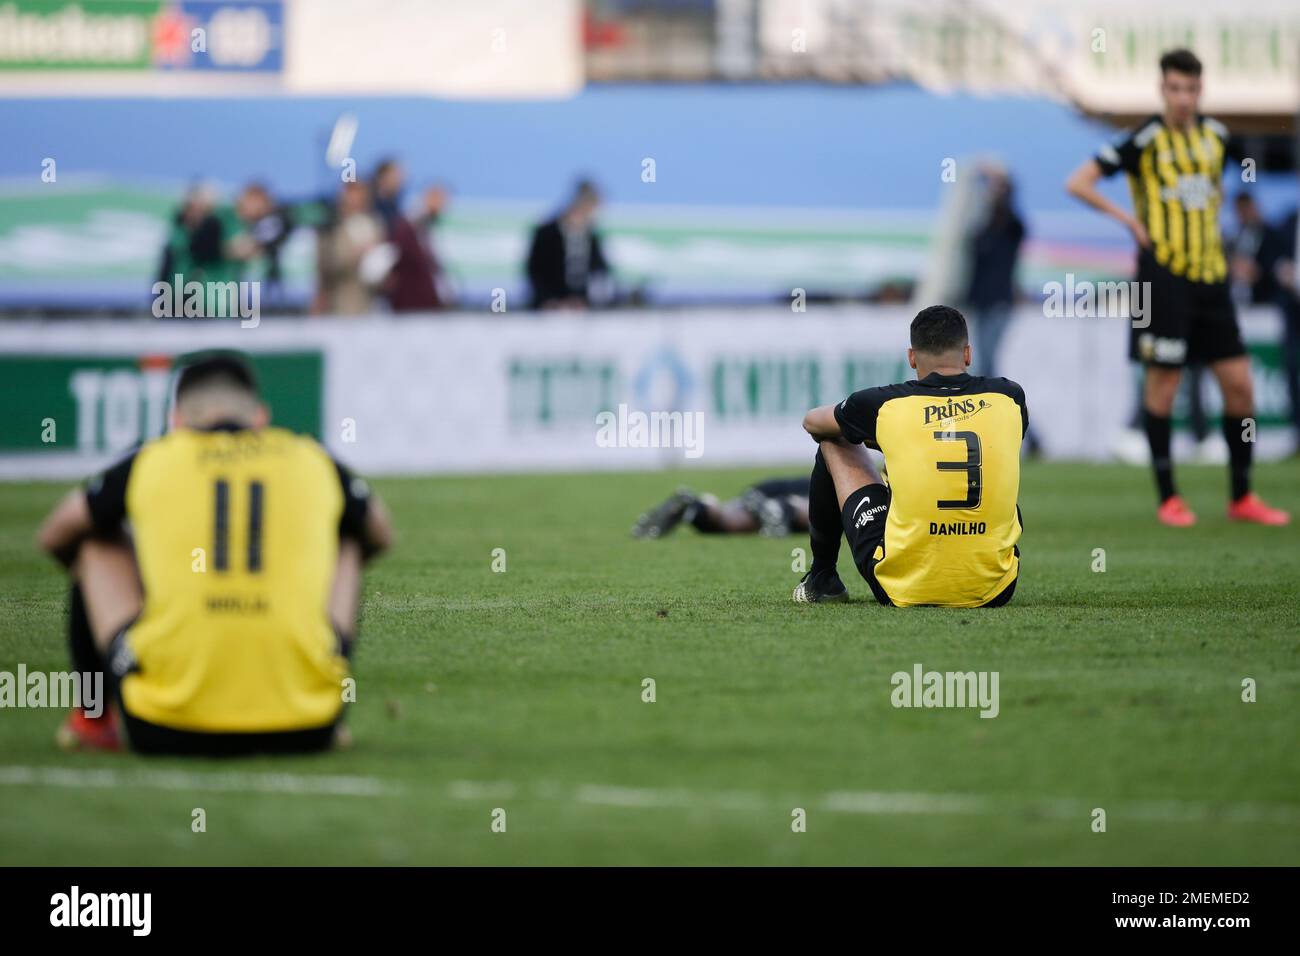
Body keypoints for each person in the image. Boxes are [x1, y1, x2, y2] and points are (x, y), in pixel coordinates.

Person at [37, 354, 393, 755]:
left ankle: (93, 717)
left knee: (93, 541)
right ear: (260, 418)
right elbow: (380, 533)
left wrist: (129, 582)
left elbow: (54, 533)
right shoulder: (310, 458)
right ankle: (317, 687)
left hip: (162, 724)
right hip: (307, 727)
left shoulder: (152, 459)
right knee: (349, 538)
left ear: (177, 421)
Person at [1065, 48, 1289, 527]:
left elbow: (1225, 186)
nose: (1183, 98)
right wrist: (1129, 220)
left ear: (1200, 90)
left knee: (1241, 388)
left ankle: (1242, 496)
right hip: (1162, 278)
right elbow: (1079, 183)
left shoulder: (1218, 137)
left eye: (1190, 89)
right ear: (1162, 89)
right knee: (1163, 385)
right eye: (1175, 88)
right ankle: (1168, 496)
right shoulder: (1143, 140)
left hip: (1212, 279)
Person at [793, 305, 1023, 608]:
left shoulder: (884, 403)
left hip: (902, 586)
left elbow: (812, 421)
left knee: (833, 441)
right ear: (967, 353)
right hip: (996, 589)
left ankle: (823, 578)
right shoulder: (1009, 397)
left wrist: (879, 438)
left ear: (912, 357)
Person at [631, 477, 810, 539]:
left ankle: (699, 507)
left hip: (763, 489)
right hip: (803, 494)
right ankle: (783, 507)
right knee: (819, 511)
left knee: (728, 518)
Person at [526, 179, 611, 309]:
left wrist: (585, 301)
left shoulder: (591, 237)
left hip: (582, 309)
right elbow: (535, 270)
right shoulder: (546, 233)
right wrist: (549, 300)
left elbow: (600, 271)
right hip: (549, 308)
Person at [372, 159, 441, 313]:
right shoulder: (378, 208)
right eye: (396, 175)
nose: (401, 180)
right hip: (404, 300)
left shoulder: (395, 207)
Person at [315, 181, 385, 316]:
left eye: (359, 194)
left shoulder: (375, 224)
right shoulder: (331, 228)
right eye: (351, 194)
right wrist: (357, 254)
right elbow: (326, 266)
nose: (355, 199)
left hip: (371, 305)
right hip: (341, 305)